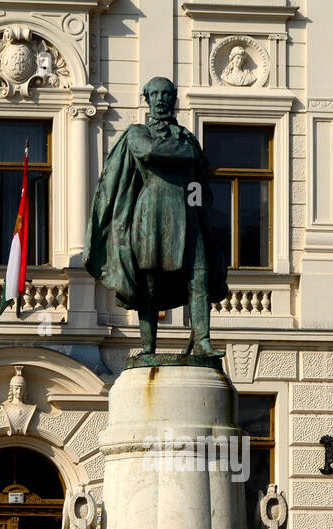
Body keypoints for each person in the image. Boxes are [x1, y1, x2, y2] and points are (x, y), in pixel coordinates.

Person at [84, 76, 229, 358]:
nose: (161, 100)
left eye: (166, 94)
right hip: (151, 213)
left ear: (173, 99)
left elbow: (199, 179)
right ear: (147, 99)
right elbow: (149, 151)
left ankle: (202, 339)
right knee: (149, 281)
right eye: (156, 94)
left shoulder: (187, 136)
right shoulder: (137, 132)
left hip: (188, 211)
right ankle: (148, 346)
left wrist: (199, 210)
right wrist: (184, 154)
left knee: (199, 274)